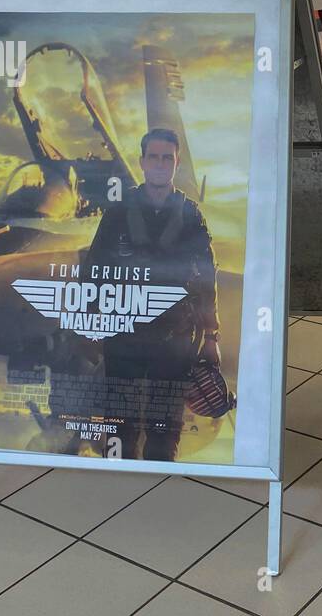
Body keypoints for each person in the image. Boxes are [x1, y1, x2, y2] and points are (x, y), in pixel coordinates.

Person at [85, 127, 226, 462]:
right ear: (142, 162)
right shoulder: (118, 212)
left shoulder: (191, 216)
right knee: (120, 424)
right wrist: (89, 323)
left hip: (174, 337)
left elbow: (207, 278)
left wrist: (211, 335)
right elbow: (94, 269)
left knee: (164, 429)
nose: (160, 164)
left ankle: (160, 485)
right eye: (154, 157)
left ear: (176, 163)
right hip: (124, 335)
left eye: (167, 158)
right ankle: (120, 484)